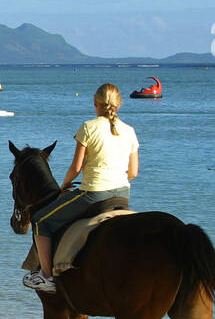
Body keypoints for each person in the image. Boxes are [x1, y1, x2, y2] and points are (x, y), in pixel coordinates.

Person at [22, 83, 139, 292]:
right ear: (119, 105)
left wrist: (65, 184)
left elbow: (76, 168)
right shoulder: (129, 131)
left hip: (93, 195)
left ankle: (47, 277)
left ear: (95, 103)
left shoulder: (88, 127)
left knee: (40, 220)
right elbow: (133, 172)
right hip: (122, 195)